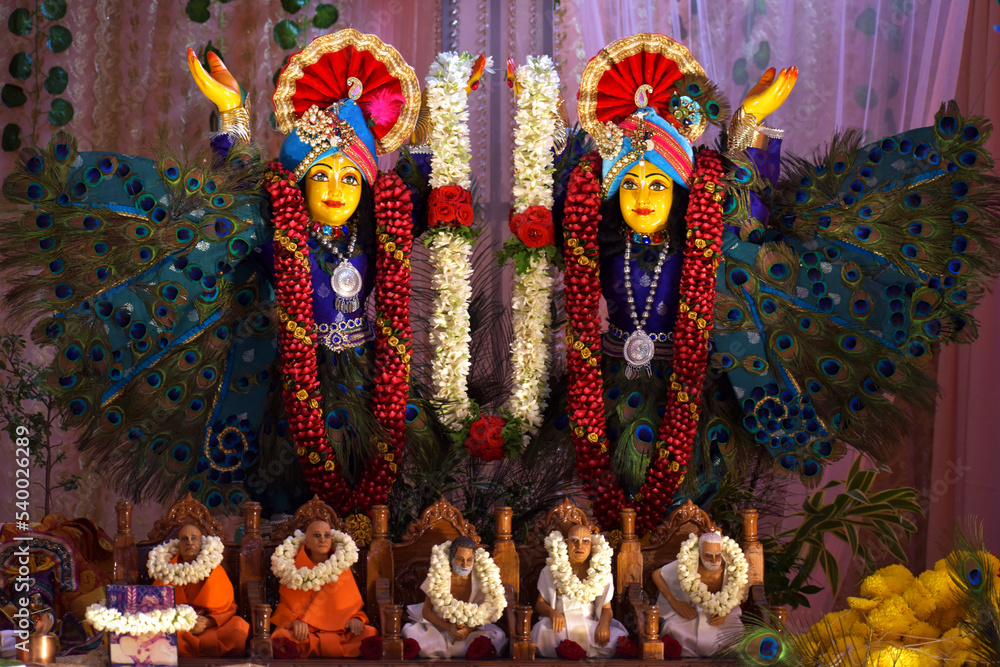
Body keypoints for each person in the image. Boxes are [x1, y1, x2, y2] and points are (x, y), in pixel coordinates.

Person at [269, 520, 376, 658]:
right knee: (281, 635)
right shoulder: (293, 570)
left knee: (369, 633)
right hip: (306, 633)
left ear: (331, 540)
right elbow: (283, 606)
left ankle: (314, 648)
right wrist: (294, 621)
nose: (322, 540)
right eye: (317, 535)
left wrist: (357, 619)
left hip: (340, 633)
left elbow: (354, 607)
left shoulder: (341, 567)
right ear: (306, 542)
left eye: (326, 535)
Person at [149, 523, 249, 657]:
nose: (189, 542)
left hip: (211, 628)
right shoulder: (166, 571)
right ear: (179, 545)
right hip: (178, 629)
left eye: (194, 538)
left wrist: (209, 622)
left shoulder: (214, 568)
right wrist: (180, 622)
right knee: (157, 632)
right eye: (184, 539)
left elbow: (228, 607)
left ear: (201, 543)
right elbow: (154, 606)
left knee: (239, 627)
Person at [531, 524, 627, 658]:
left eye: (585, 541)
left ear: (592, 545)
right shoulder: (551, 570)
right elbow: (540, 604)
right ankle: (581, 652)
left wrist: (604, 625)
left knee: (618, 638)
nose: (579, 546)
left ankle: (568, 650)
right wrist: (552, 612)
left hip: (589, 625)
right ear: (566, 543)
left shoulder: (601, 572)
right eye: (574, 541)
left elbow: (606, 608)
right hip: (561, 626)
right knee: (540, 631)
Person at [402, 536, 506, 658]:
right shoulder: (438, 574)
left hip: (471, 630)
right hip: (439, 627)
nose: (464, 565)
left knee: (498, 637)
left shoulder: (481, 577)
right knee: (415, 636)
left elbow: (487, 612)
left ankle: (458, 648)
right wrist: (448, 627)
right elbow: (426, 611)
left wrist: (468, 630)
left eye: (469, 560)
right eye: (460, 559)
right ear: (451, 557)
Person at [654, 531, 747, 657]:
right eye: (709, 556)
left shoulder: (732, 565)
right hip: (691, 615)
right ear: (700, 553)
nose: (714, 560)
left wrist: (726, 611)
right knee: (673, 628)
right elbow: (657, 574)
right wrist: (674, 602)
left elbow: (741, 587)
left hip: (721, 617)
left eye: (718, 555)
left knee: (738, 635)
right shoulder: (688, 563)